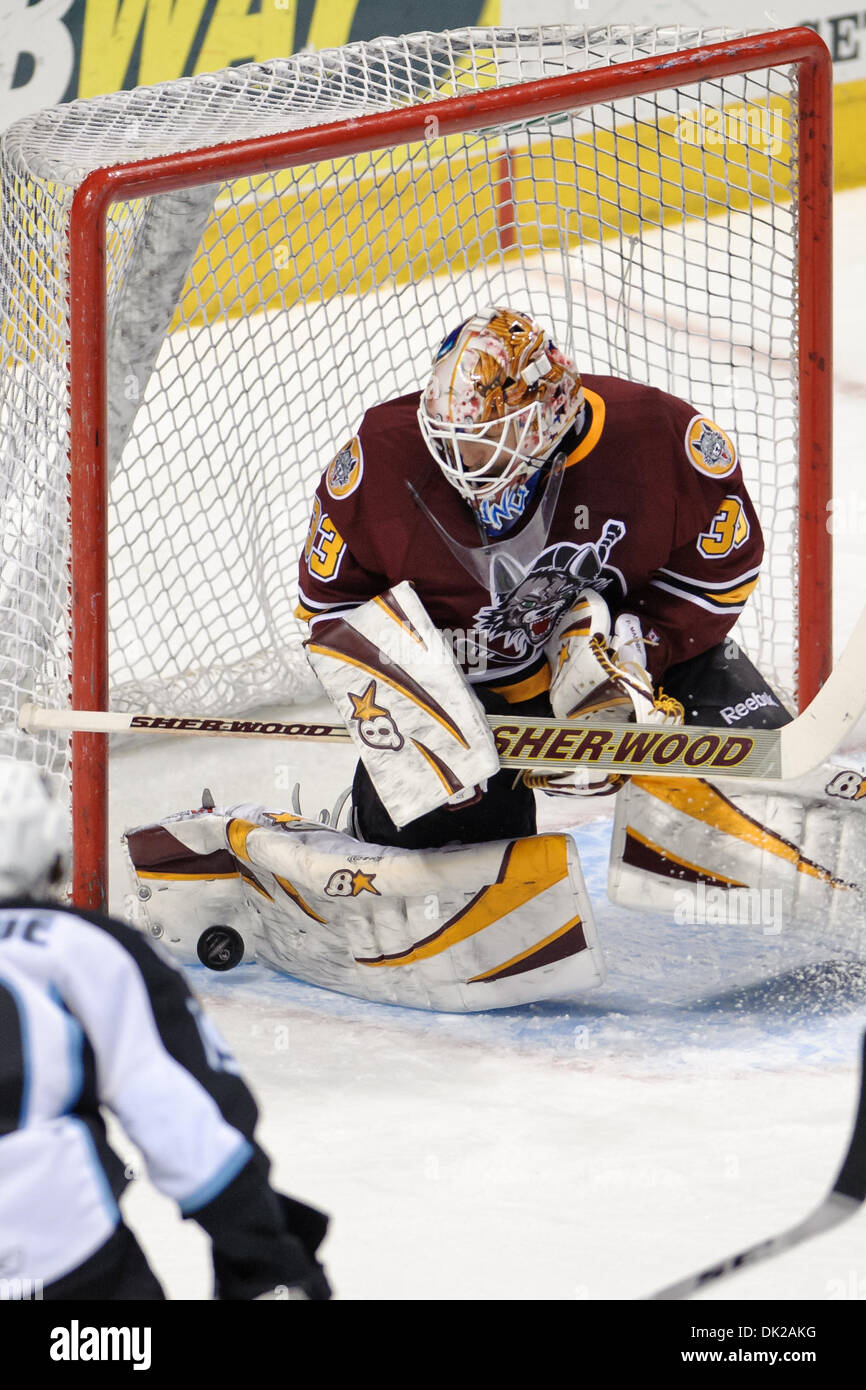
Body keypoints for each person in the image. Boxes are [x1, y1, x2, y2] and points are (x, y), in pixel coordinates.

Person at [297, 304, 790, 851]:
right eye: (453, 438)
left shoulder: (655, 435)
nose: (464, 459)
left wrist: (639, 650)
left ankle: (597, 662)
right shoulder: (383, 458)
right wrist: (424, 717)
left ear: (549, 415)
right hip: (464, 693)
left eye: (486, 438)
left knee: (762, 787)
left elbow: (718, 569)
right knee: (446, 851)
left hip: (618, 650)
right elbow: (330, 608)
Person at [0, 758, 331, 1301]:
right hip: (66, 1268)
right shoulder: (87, 947)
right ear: (50, 859)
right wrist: (266, 1258)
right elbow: (186, 1121)